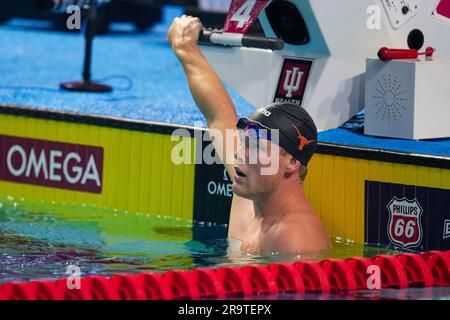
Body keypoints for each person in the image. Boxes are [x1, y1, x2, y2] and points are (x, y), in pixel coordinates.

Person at [168, 15, 332, 256]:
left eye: (255, 147)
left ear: (292, 163)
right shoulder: (254, 195)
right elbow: (218, 116)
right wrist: (185, 48)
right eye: (244, 142)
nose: (238, 153)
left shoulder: (294, 238)